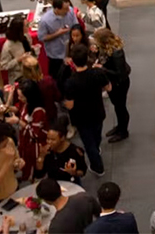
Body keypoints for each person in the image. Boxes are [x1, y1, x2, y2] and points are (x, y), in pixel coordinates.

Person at [63, 43, 110, 175]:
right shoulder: (97, 73)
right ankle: (97, 148)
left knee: (88, 143)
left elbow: (70, 105)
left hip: (82, 117)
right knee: (96, 134)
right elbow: (108, 88)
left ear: (72, 60)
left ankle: (97, 166)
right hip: (97, 111)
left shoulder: (70, 82)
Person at [93, 28, 130, 143]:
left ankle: (123, 131)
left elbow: (120, 73)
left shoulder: (116, 52)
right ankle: (120, 126)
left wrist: (102, 69)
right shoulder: (105, 49)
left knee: (121, 107)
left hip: (120, 84)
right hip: (113, 82)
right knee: (117, 106)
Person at [13, 79, 48, 181]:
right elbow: (19, 109)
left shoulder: (39, 111)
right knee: (25, 162)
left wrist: (18, 121)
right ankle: (26, 176)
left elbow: (35, 133)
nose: (19, 98)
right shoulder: (26, 104)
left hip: (34, 146)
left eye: (21, 96)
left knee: (34, 168)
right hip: (25, 143)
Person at [35, 115, 86, 183]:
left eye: (53, 139)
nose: (49, 142)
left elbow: (83, 171)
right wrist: (41, 157)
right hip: (54, 184)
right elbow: (39, 174)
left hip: (71, 183)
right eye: (48, 139)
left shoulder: (74, 151)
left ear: (62, 138)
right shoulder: (47, 152)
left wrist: (74, 172)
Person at [37, 0, 75, 86]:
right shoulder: (45, 21)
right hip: (56, 54)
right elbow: (42, 38)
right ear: (57, 9)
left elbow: (75, 26)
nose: (68, 11)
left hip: (70, 51)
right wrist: (57, 33)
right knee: (58, 78)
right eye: (65, 9)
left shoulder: (70, 11)